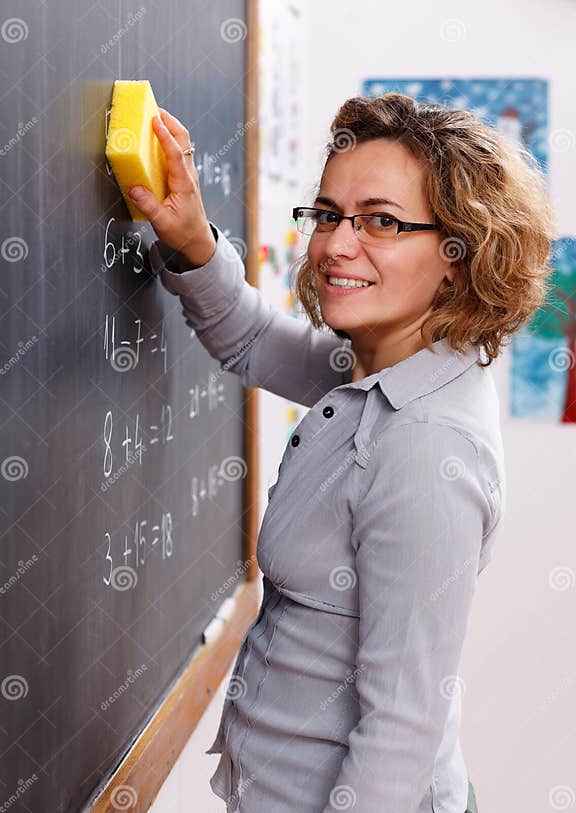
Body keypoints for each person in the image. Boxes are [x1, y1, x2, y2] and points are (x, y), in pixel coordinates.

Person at [128, 93, 556, 812]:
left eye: (381, 221)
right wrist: (195, 241)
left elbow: (401, 729)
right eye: (328, 214)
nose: (335, 245)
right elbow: (253, 340)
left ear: (459, 253)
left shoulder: (425, 444)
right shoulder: (386, 366)